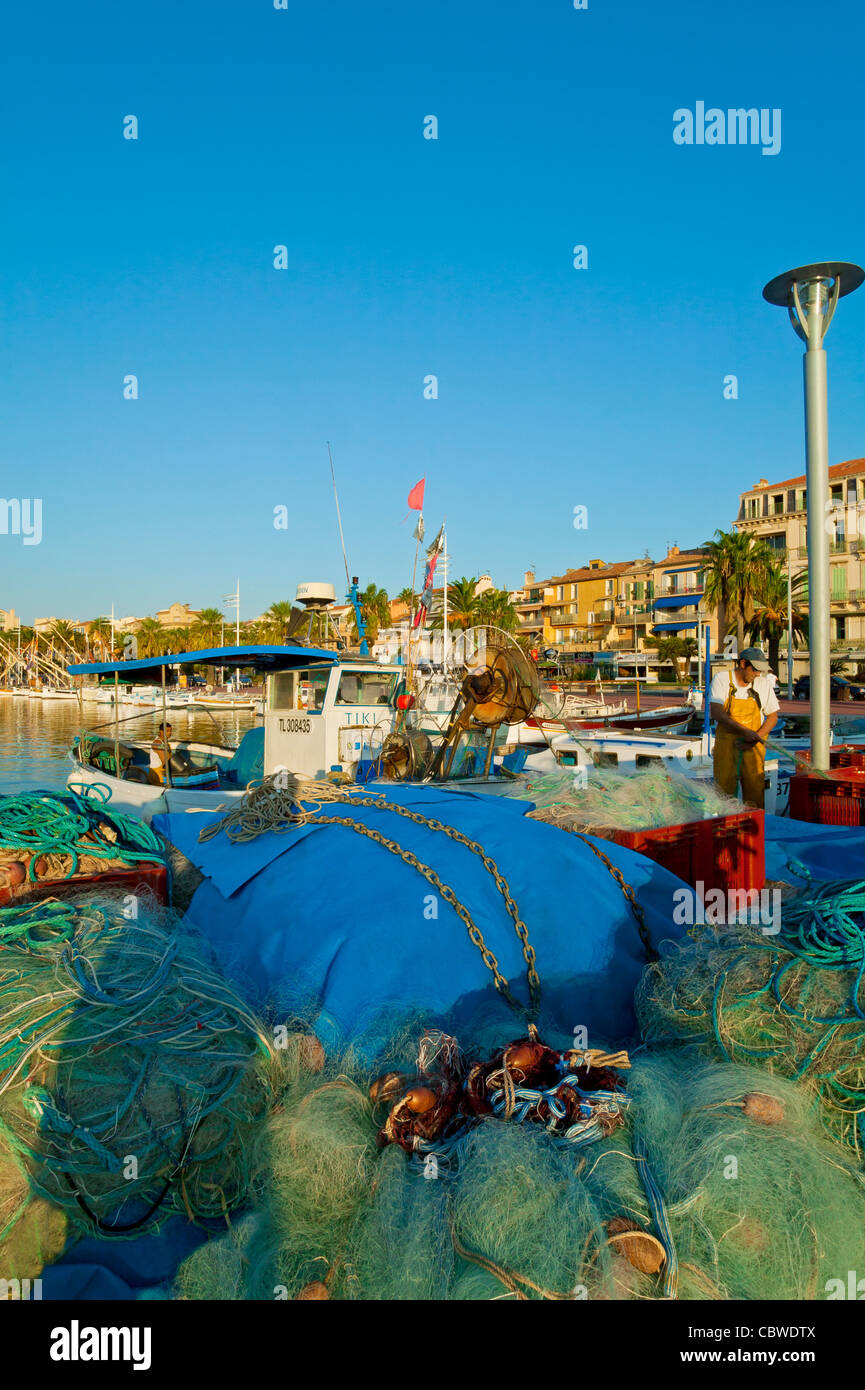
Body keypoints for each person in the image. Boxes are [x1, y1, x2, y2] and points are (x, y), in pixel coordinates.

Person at [709, 647, 779, 809]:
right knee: (723, 793)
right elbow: (717, 712)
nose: (758, 674)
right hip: (727, 746)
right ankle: (726, 826)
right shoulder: (722, 679)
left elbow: (773, 717)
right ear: (742, 663)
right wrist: (745, 732)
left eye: (761, 671)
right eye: (755, 669)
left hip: (754, 747)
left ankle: (754, 828)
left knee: (755, 793)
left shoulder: (763, 684)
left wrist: (756, 737)